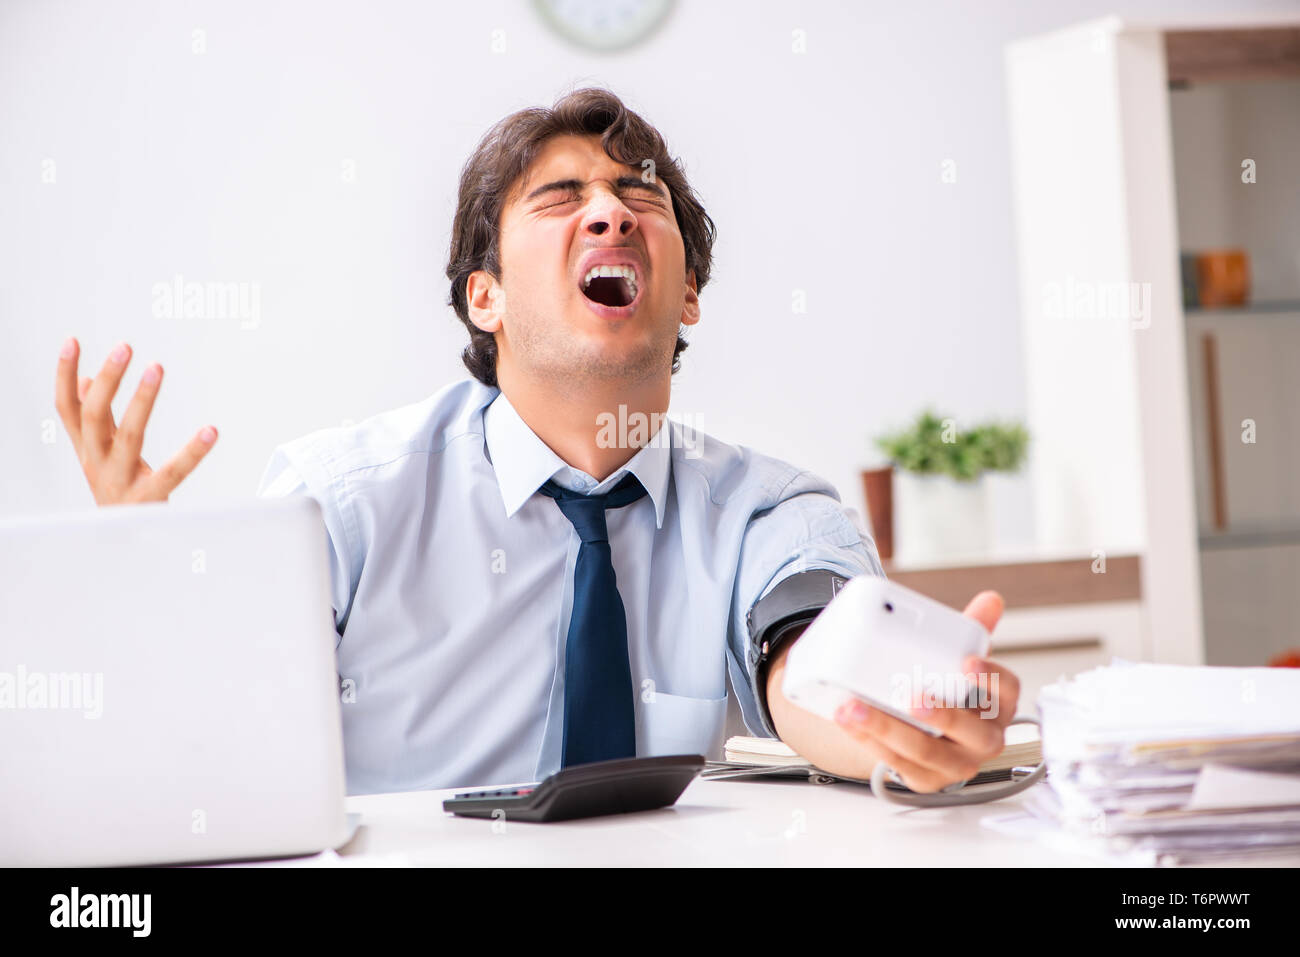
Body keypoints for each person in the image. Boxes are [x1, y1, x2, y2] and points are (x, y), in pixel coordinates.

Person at [53, 87, 1019, 795]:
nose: (610, 211)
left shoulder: (769, 509)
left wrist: (890, 718)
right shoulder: (343, 501)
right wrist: (148, 599)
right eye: (560, 199)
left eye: (641, 198)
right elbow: (211, 749)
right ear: (488, 297)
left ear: (686, 294)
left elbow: (807, 647)